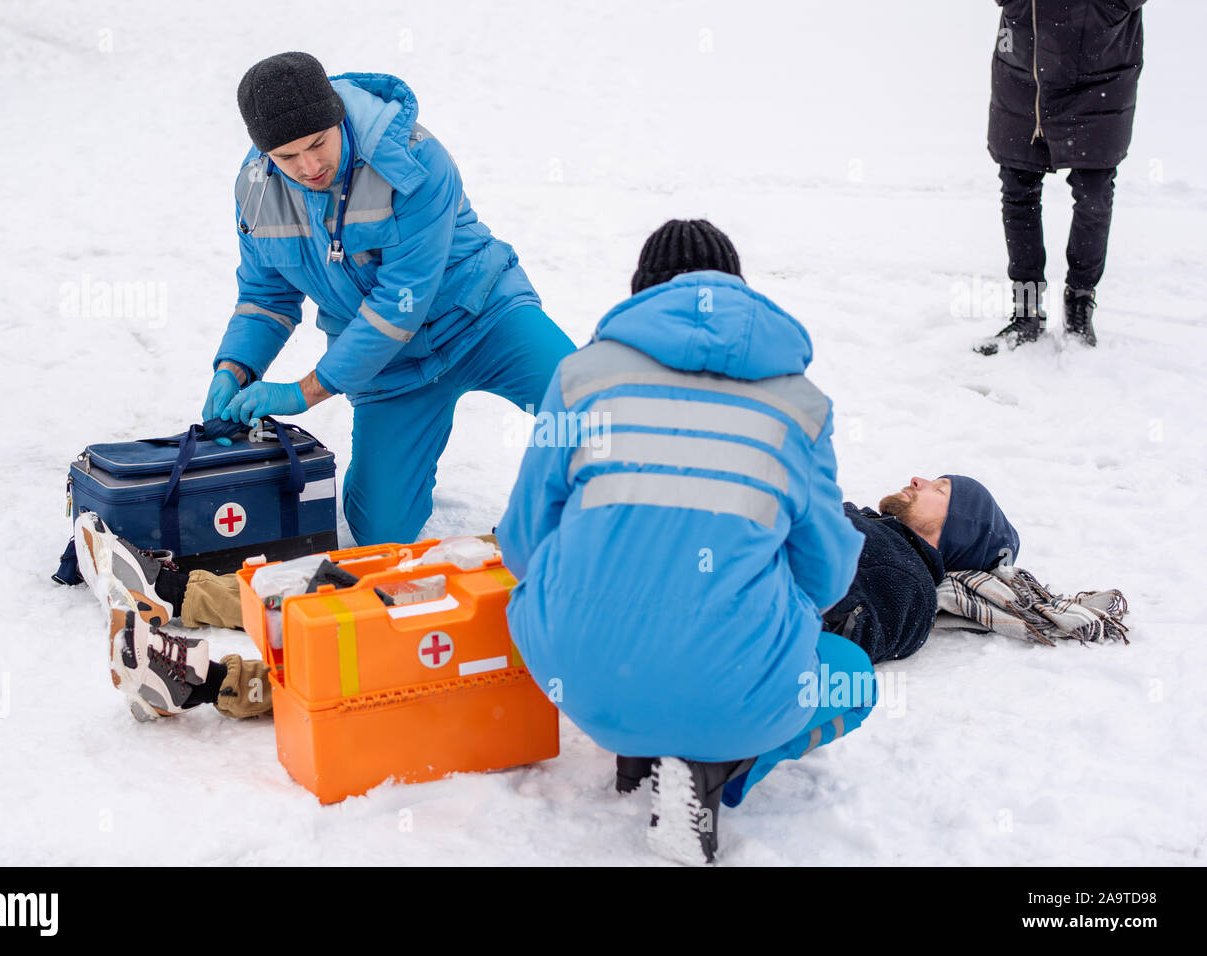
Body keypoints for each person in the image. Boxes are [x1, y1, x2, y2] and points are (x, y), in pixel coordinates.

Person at [494, 219, 873, 865]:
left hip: (580, 677)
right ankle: (720, 767)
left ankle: (642, 732)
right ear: (741, 291)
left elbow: (525, 537)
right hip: (731, 696)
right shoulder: (799, 406)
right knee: (852, 678)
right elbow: (826, 575)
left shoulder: (582, 377)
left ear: (642, 294)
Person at [206, 52, 575, 545]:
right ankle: (411, 466)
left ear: (337, 116)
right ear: (263, 153)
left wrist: (306, 391)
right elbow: (265, 295)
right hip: (389, 366)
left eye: (318, 143)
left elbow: (403, 299)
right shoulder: (257, 192)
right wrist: (234, 367)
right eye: (288, 157)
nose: (309, 166)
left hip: (483, 317)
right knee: (381, 531)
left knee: (595, 414)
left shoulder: (413, 158)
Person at [977, 0, 1145, 354]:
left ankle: (1080, 299)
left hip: (1101, 71)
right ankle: (1027, 310)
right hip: (1026, 72)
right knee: (1018, 187)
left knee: (1094, 194)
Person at [827, 476, 1020, 663]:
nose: (916, 480)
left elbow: (831, 630)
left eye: (939, 489)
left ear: (957, 533)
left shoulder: (908, 580)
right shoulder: (875, 527)